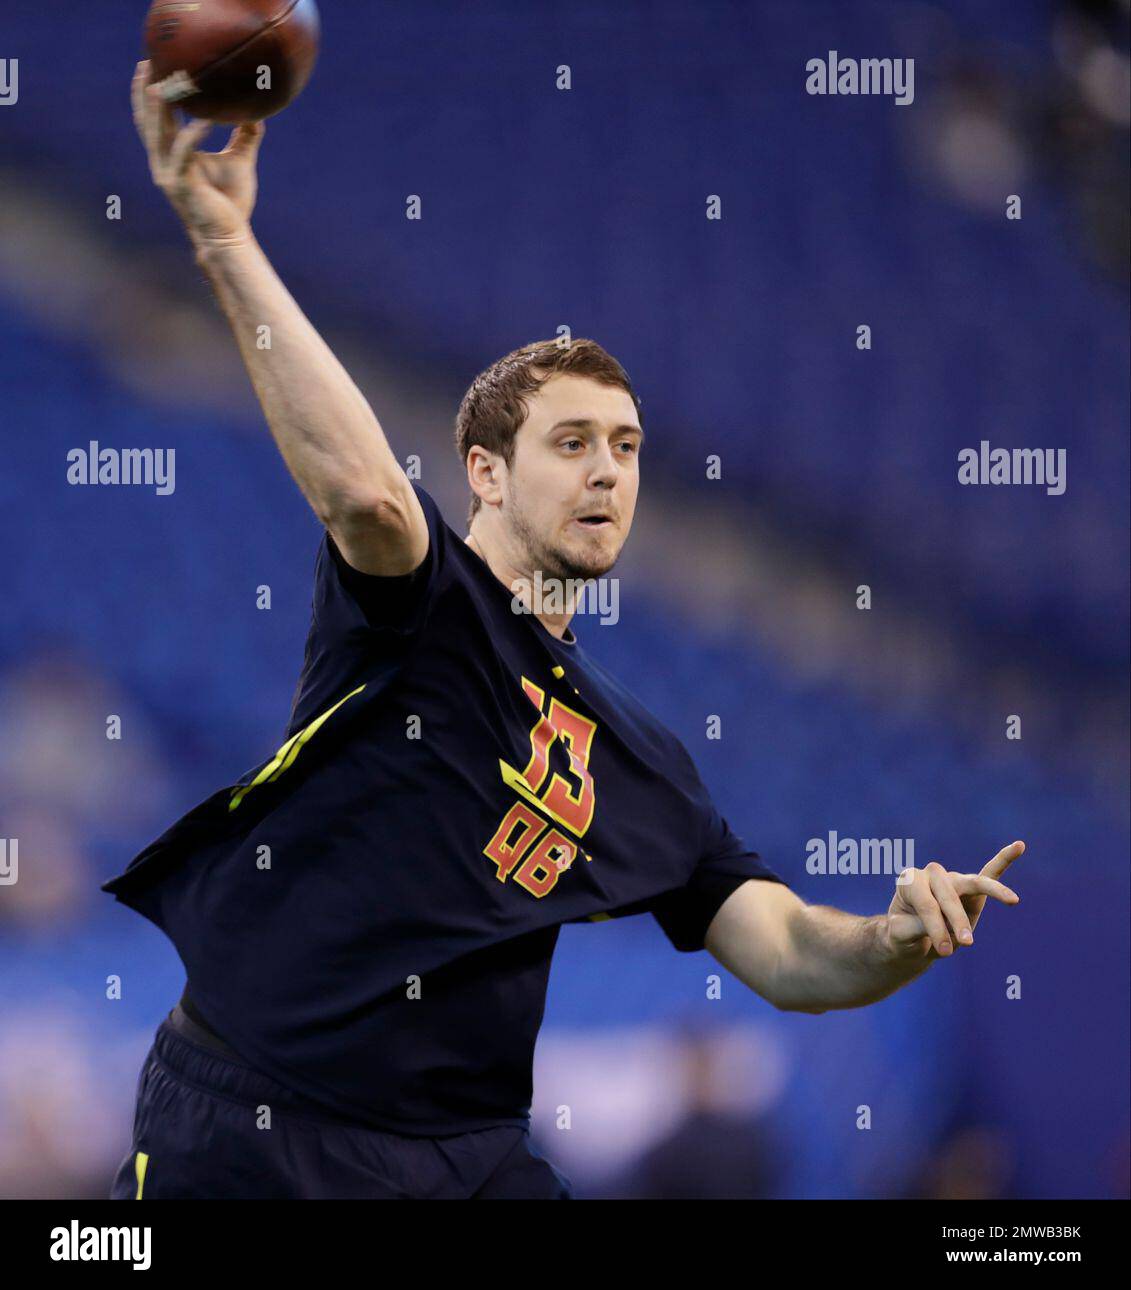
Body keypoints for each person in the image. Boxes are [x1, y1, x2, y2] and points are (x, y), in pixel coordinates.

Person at [104, 61, 1024, 1200]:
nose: (607, 472)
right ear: (484, 473)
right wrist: (223, 238)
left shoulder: (641, 764)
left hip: (468, 1157)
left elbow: (789, 955)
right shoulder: (423, 615)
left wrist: (893, 940)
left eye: (627, 447)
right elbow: (372, 501)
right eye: (572, 441)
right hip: (259, 1122)